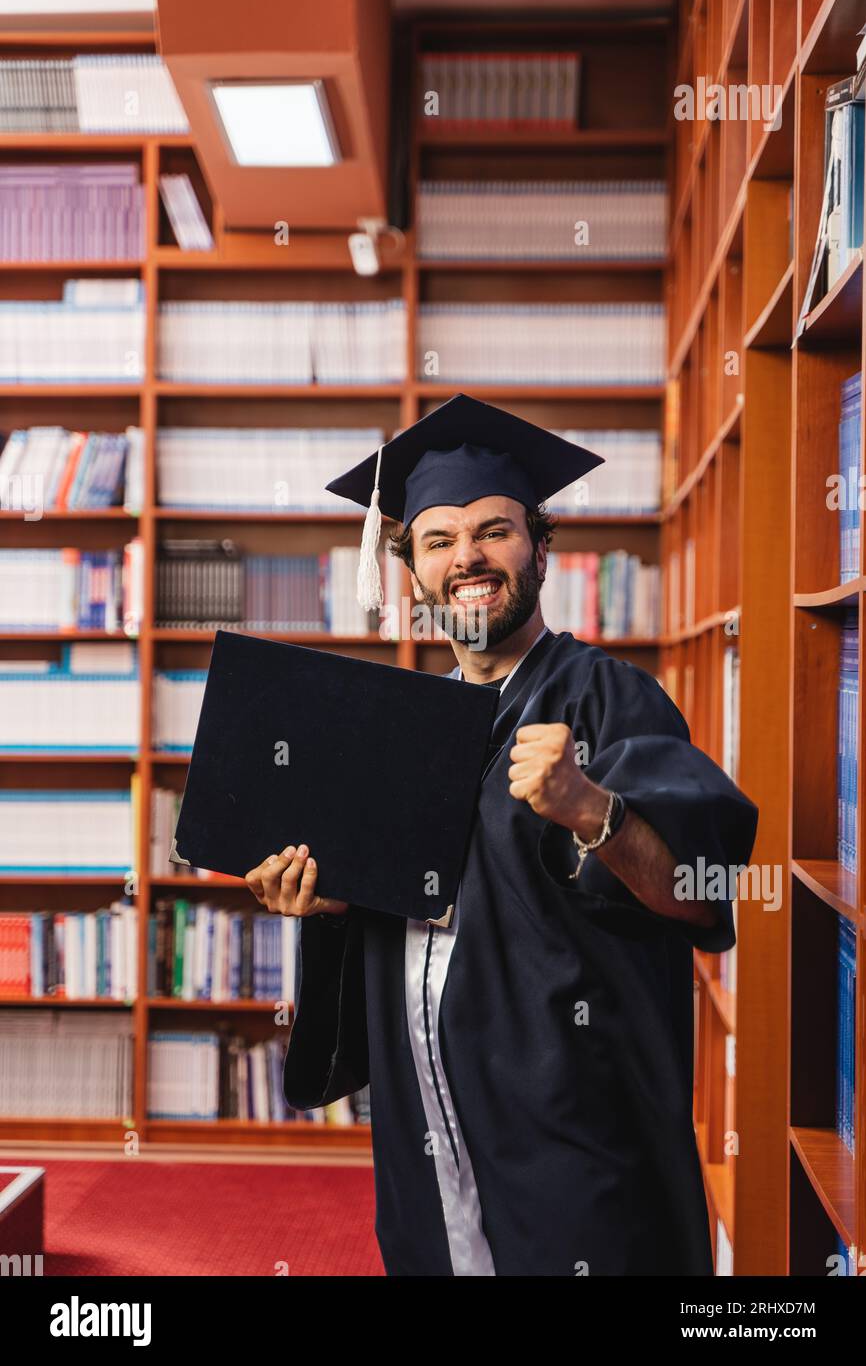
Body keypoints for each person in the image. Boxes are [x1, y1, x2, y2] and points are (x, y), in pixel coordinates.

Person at [244, 393, 759, 1277]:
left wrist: (590, 806)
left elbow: (700, 893)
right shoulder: (404, 726)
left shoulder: (609, 697)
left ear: (541, 547)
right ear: (410, 569)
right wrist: (331, 903)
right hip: (428, 1128)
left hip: (574, 1139)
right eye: (439, 540)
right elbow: (410, 913)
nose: (468, 558)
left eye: (495, 531)